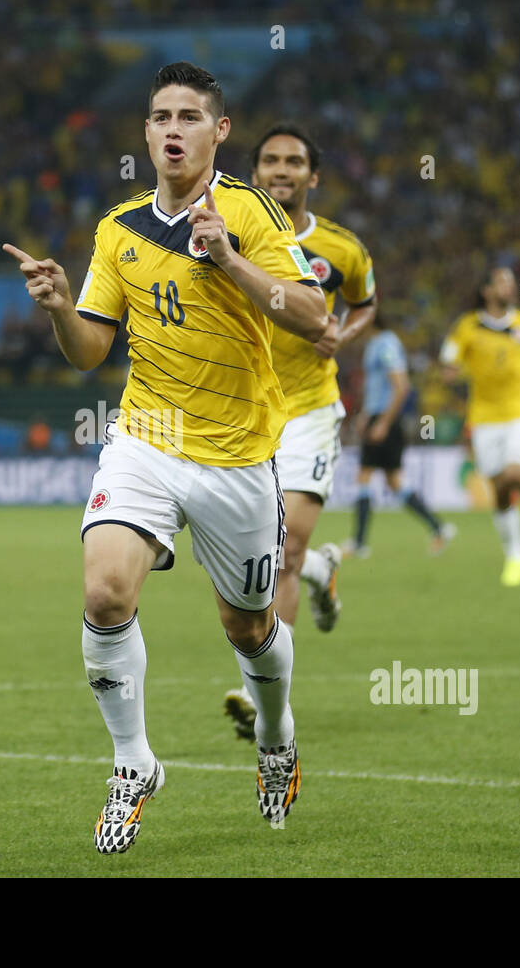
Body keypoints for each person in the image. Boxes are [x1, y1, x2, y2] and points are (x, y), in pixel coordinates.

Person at [4, 62, 328, 853]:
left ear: (220, 132)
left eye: (190, 116)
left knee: (247, 627)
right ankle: (132, 761)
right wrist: (57, 307)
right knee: (107, 591)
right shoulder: (118, 230)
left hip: (238, 455)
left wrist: (230, 260)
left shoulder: (250, 214)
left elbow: (313, 313)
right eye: (160, 116)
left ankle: (277, 732)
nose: (173, 128)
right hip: (144, 439)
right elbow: (89, 352)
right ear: (145, 133)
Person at [222, 122, 377, 742]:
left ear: (313, 176)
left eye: (294, 162)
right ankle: (321, 572)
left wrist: (346, 332)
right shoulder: (228, 233)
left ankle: (260, 698)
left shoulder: (341, 248)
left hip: (309, 412)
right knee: (248, 558)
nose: (281, 170)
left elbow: (365, 303)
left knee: (280, 553)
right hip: (242, 413)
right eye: (269, 161)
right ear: (254, 172)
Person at [440, 266, 520, 585]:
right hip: (484, 418)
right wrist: (452, 371)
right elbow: (448, 365)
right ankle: (516, 554)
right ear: (486, 291)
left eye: (511, 281)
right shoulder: (467, 327)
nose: (510, 286)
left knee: (515, 473)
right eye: (502, 282)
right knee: (500, 491)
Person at [346, 314, 455, 557]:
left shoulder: (386, 343)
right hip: (378, 416)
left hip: (386, 419)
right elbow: (377, 386)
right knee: (395, 483)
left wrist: (383, 422)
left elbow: (401, 386)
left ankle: (360, 543)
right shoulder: (375, 344)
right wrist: (365, 414)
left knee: (364, 477)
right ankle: (438, 527)